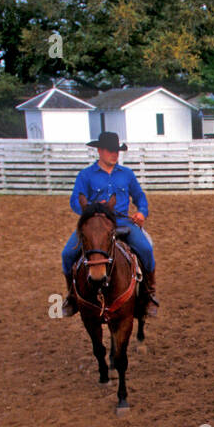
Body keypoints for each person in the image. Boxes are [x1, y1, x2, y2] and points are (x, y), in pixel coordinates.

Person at [62, 132, 157, 316]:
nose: (115, 154)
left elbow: (140, 197)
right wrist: (91, 210)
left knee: (146, 249)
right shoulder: (85, 175)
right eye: (110, 151)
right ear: (99, 151)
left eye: (117, 151)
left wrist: (141, 212)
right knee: (67, 254)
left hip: (123, 223)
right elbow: (75, 201)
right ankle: (72, 296)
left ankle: (149, 293)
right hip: (94, 226)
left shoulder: (127, 175)